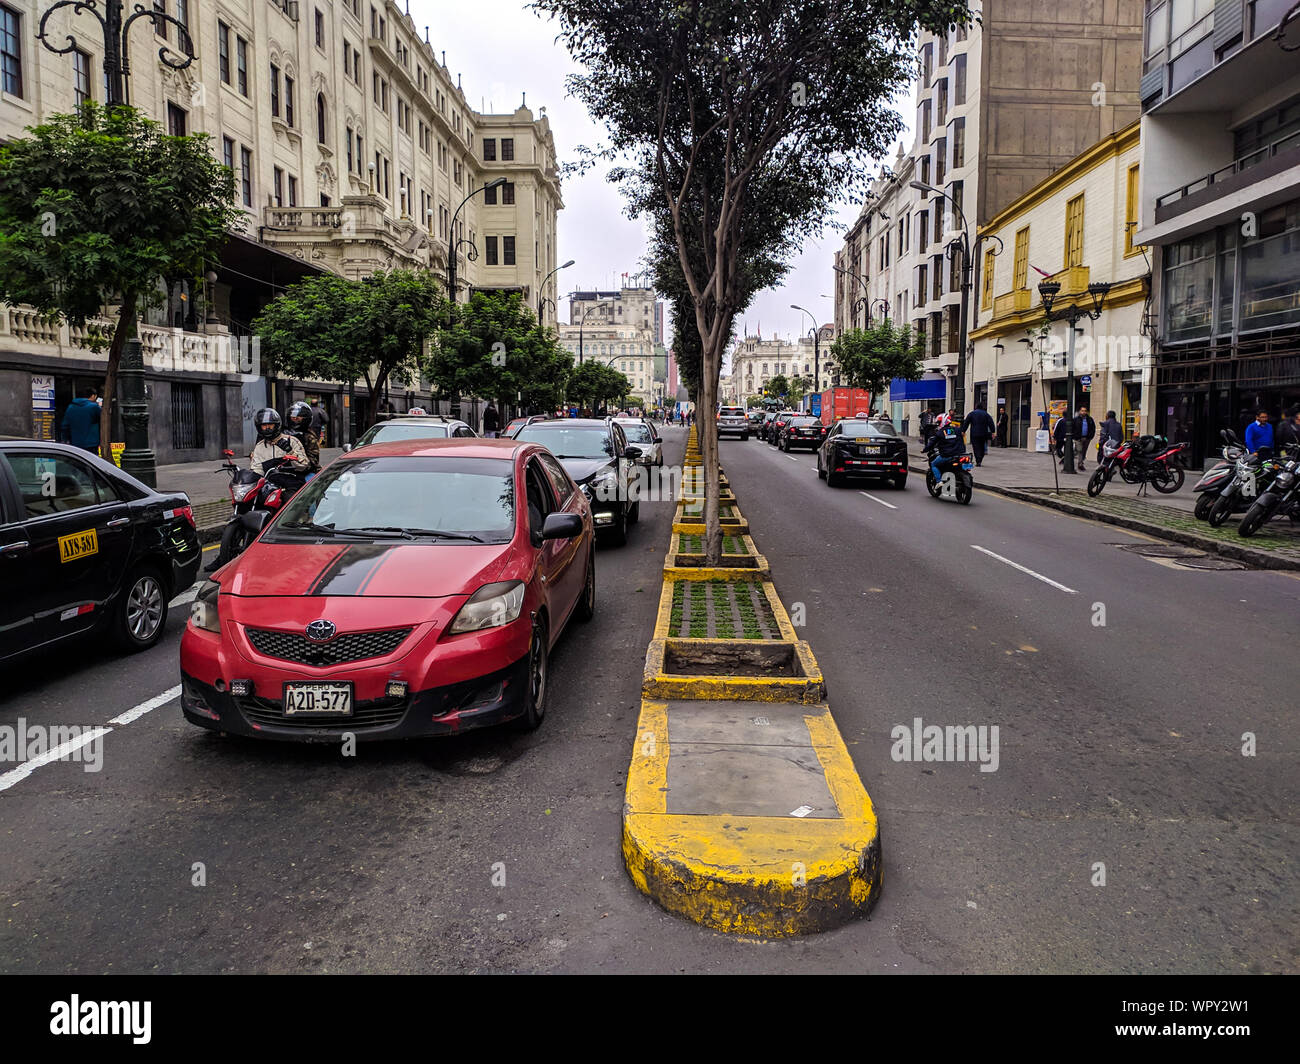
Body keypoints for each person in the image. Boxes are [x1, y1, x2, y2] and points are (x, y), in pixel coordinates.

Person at [249, 407, 310, 478]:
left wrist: (290, 451)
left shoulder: (292, 441)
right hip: (269, 484)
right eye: (264, 425)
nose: (267, 428)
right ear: (259, 427)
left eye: (270, 425)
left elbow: (304, 466)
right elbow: (257, 470)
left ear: (276, 425)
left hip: (291, 480)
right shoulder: (259, 446)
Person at [926, 413, 967, 485]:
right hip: (960, 453)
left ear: (943, 421)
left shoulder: (940, 432)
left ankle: (939, 481)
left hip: (947, 455)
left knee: (933, 464)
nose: (938, 424)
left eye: (939, 422)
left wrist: (925, 449)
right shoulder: (957, 430)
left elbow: (932, 442)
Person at [61, 387, 102, 454]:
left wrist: (66, 439)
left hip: (75, 443)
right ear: (93, 396)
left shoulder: (71, 407)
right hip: (91, 443)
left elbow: (65, 426)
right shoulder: (94, 407)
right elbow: (102, 420)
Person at [287, 400, 321, 472]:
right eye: (292, 417)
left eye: (298, 417)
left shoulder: (309, 437)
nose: (294, 419)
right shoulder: (285, 433)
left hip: (304, 470)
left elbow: (313, 461)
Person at [961, 402, 997, 467]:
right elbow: (991, 423)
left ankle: (978, 460)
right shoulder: (986, 414)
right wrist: (993, 432)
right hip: (983, 433)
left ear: (976, 407)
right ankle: (980, 458)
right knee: (982, 446)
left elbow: (966, 422)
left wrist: (963, 431)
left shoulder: (971, 414)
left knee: (976, 447)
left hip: (974, 433)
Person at [1075, 405, 1096, 472]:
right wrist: (1075, 436)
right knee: (1080, 450)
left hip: (1087, 438)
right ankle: (1080, 464)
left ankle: (1081, 461)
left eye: (1085, 411)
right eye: (1082, 411)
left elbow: (1093, 428)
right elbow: (1073, 428)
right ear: (1079, 411)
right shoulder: (1076, 419)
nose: (1083, 412)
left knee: (1084, 451)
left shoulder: (1090, 419)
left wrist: (1091, 436)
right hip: (1078, 438)